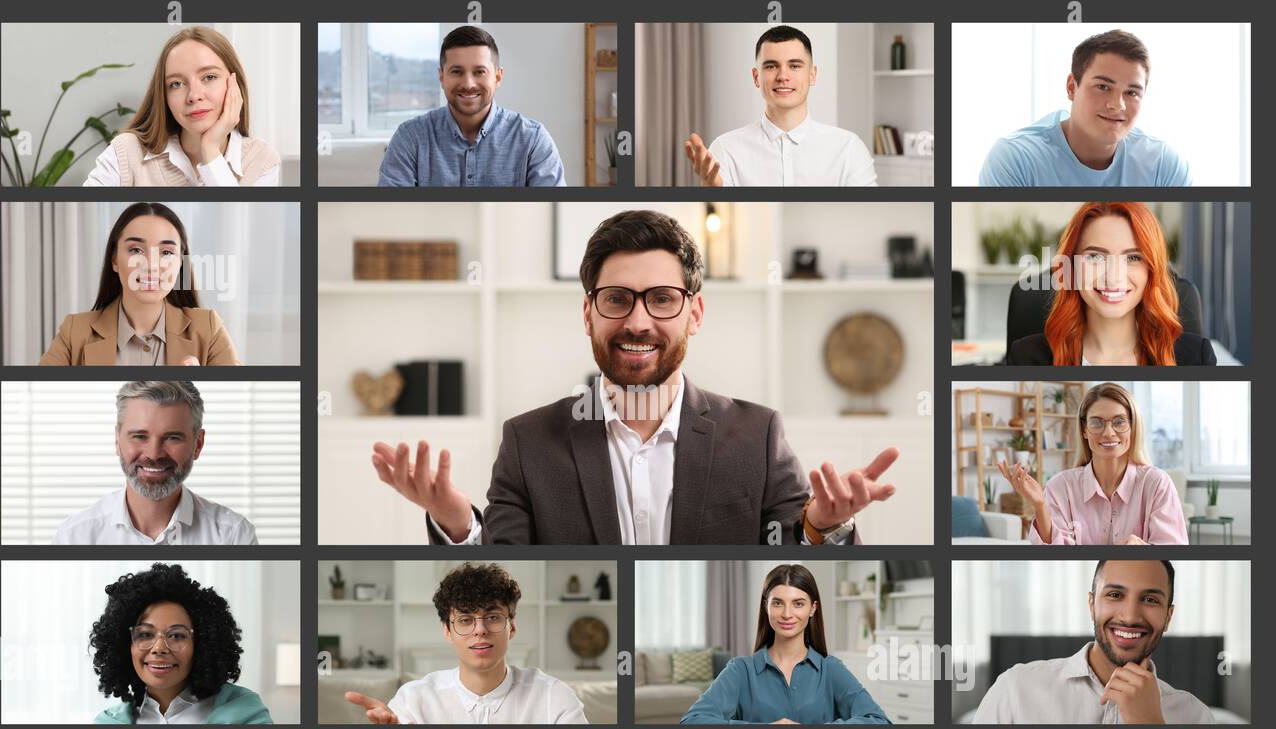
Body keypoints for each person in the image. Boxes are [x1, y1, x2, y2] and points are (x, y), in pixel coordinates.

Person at [370, 210, 900, 544]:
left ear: (694, 313)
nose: (638, 321)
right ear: (588, 314)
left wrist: (824, 526)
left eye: (663, 300)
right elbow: (507, 568)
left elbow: (788, 560)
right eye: (617, 300)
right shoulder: (528, 441)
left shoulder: (758, 435)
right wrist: (458, 525)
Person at [344, 563, 587, 725]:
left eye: (492, 617)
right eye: (465, 620)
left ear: (511, 626)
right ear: (447, 631)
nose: (480, 630)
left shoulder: (554, 698)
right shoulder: (413, 701)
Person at [972, 559, 1212, 723]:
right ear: (1091, 604)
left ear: (1168, 616)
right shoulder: (1015, 689)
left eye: (1150, 599)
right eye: (1115, 595)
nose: (1129, 617)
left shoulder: (1196, 717)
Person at [1003, 202, 1215, 365]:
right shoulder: (1025, 356)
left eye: (1132, 258)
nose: (1113, 278)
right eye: (1095, 256)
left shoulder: (1197, 356)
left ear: (1151, 270)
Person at [52, 381, 258, 545]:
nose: (154, 454)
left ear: (198, 444)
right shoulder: (74, 537)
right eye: (140, 436)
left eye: (172, 438)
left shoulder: (233, 536)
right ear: (117, 439)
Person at [681, 565, 890, 724]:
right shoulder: (740, 670)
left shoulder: (831, 670)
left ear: (812, 608)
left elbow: (879, 721)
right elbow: (692, 721)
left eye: (798, 603)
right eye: (777, 603)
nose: (787, 614)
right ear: (766, 606)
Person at [979, 29, 1189, 187]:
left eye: (1132, 92)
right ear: (1072, 87)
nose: (1118, 105)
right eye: (1103, 87)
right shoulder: (1015, 159)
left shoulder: (1163, 164)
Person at [39, 202, 240, 365]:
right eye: (136, 250)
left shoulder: (209, 328)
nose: (151, 265)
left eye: (166, 252)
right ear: (115, 260)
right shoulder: (75, 331)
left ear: (180, 263)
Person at [83, 26, 280, 187]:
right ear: (164, 95)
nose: (194, 96)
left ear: (234, 83)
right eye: (176, 84)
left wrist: (210, 150)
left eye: (209, 77)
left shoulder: (262, 160)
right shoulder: (126, 151)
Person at [684, 26, 876, 187]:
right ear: (756, 77)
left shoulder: (849, 149)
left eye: (794, 66)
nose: (783, 76)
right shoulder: (725, 150)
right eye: (771, 66)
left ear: (812, 74)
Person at [997, 383, 1187, 545]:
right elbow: (1054, 562)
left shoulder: (1157, 483)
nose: (1109, 432)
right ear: (1084, 430)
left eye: (1119, 422)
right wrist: (1039, 506)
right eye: (1097, 423)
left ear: (1133, 427)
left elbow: (1174, 556)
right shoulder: (1060, 487)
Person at [377, 26, 565, 187]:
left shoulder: (533, 140)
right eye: (457, 71)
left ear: (497, 77)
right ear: (442, 77)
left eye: (479, 72)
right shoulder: (410, 137)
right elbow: (391, 213)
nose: (468, 83)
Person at [90, 563, 272, 724]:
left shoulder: (245, 714)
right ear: (125, 645)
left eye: (177, 636)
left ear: (200, 644)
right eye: (145, 634)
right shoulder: (109, 721)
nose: (159, 648)